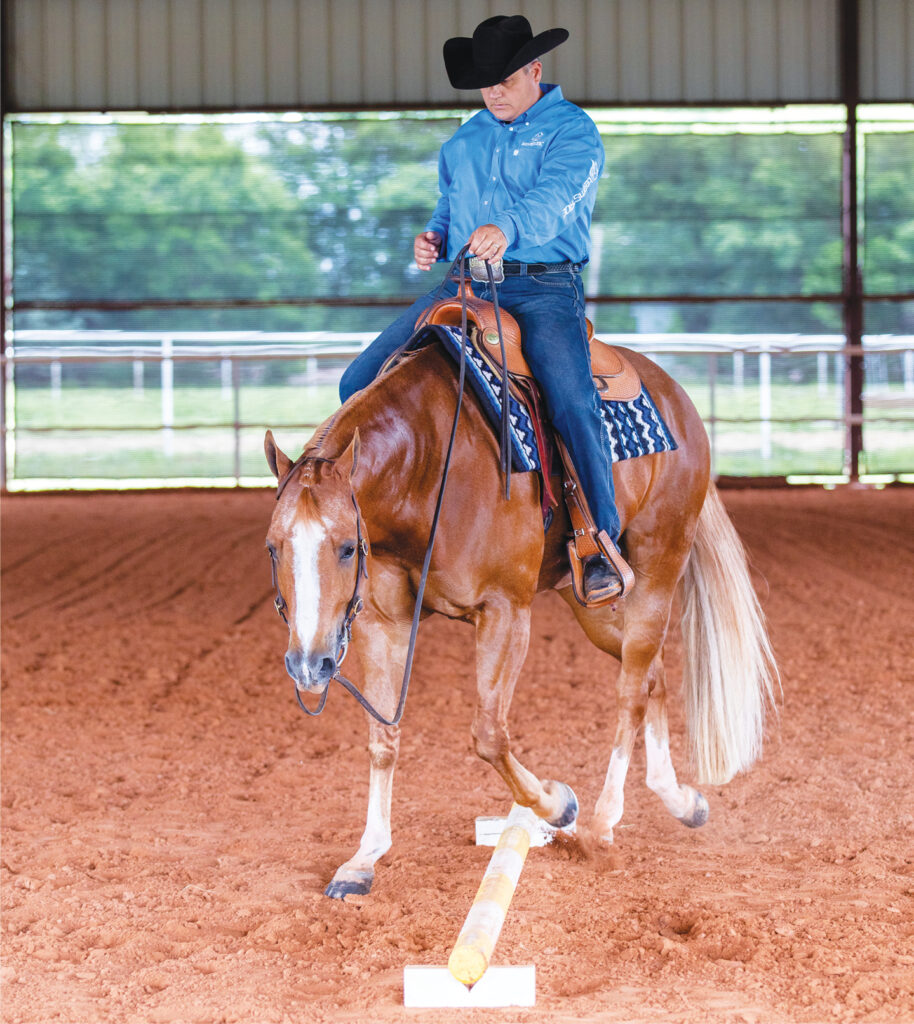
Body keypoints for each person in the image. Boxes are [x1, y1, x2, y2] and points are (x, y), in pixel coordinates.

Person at [339, 14, 632, 601]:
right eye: (485, 81)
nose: (494, 90)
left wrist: (510, 226)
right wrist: (434, 237)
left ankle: (601, 539)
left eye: (505, 78)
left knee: (572, 399)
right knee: (359, 381)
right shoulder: (465, 140)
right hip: (464, 284)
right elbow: (451, 209)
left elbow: (555, 200)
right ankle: (387, 521)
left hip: (545, 287)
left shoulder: (573, 133)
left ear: (535, 70)